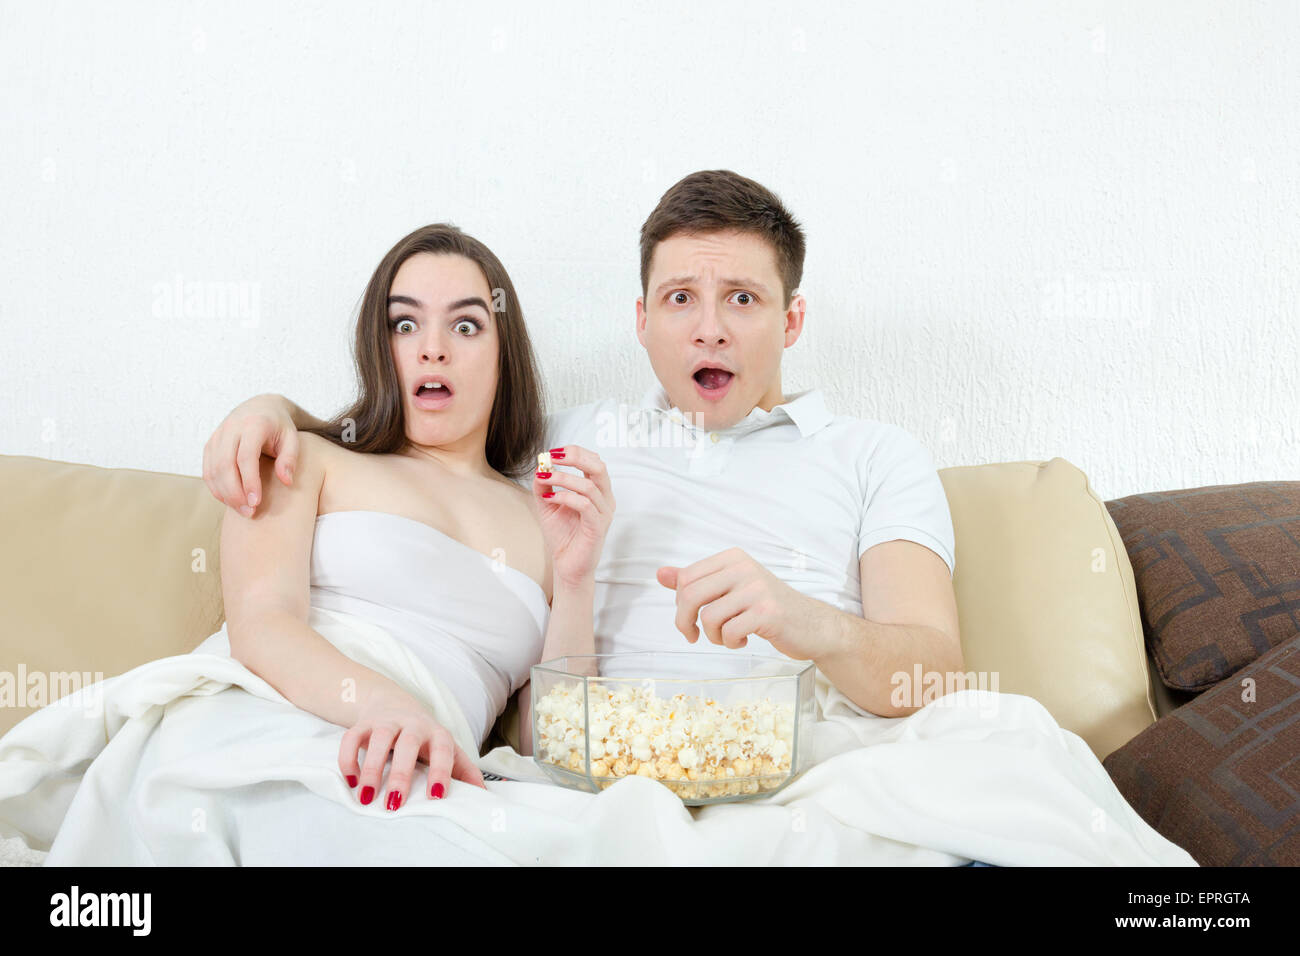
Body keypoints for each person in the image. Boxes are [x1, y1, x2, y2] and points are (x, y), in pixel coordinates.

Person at [203, 170, 964, 747]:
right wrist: (274, 411)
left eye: (742, 298)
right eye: (678, 299)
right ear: (640, 320)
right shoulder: (566, 445)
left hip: (807, 761)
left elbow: (937, 673)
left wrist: (809, 622)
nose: (709, 330)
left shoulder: (877, 456)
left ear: (792, 319)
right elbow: (418, 440)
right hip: (615, 774)